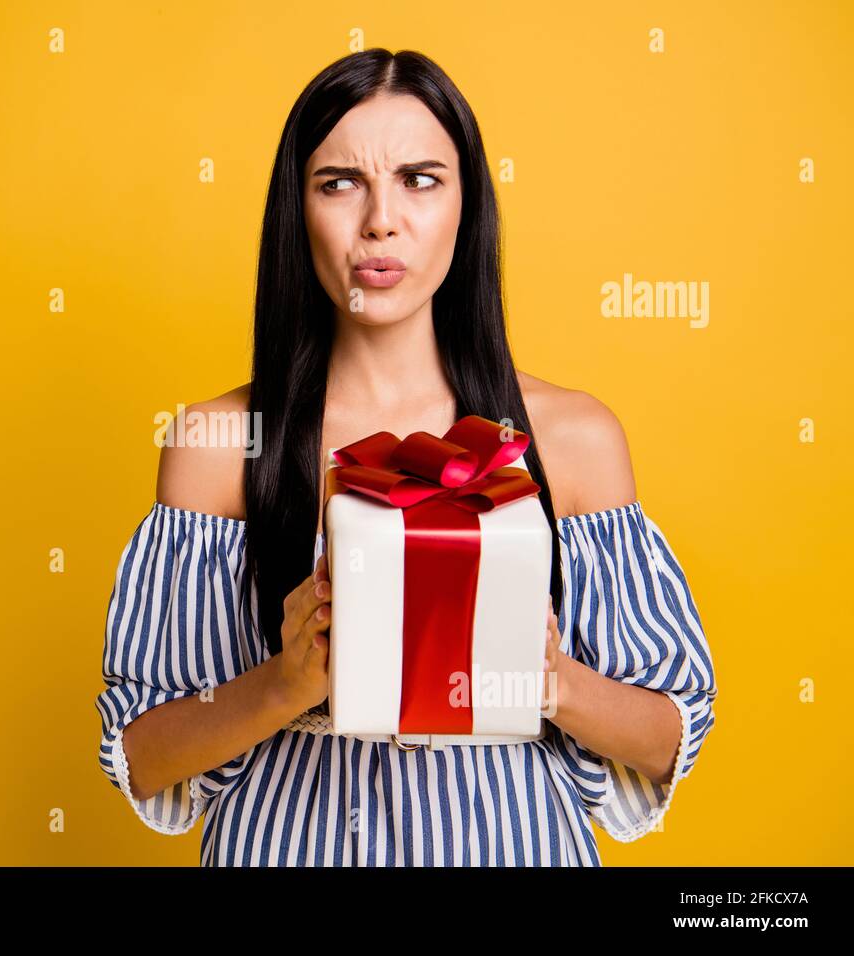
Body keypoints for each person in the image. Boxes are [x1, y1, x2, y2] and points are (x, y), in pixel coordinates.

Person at [94, 48, 717, 866]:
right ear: (297, 209)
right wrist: (285, 683)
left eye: (421, 179)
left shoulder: (571, 438)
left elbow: (671, 736)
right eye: (340, 182)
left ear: (467, 205)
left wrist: (547, 678)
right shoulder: (220, 446)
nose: (381, 220)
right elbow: (141, 754)